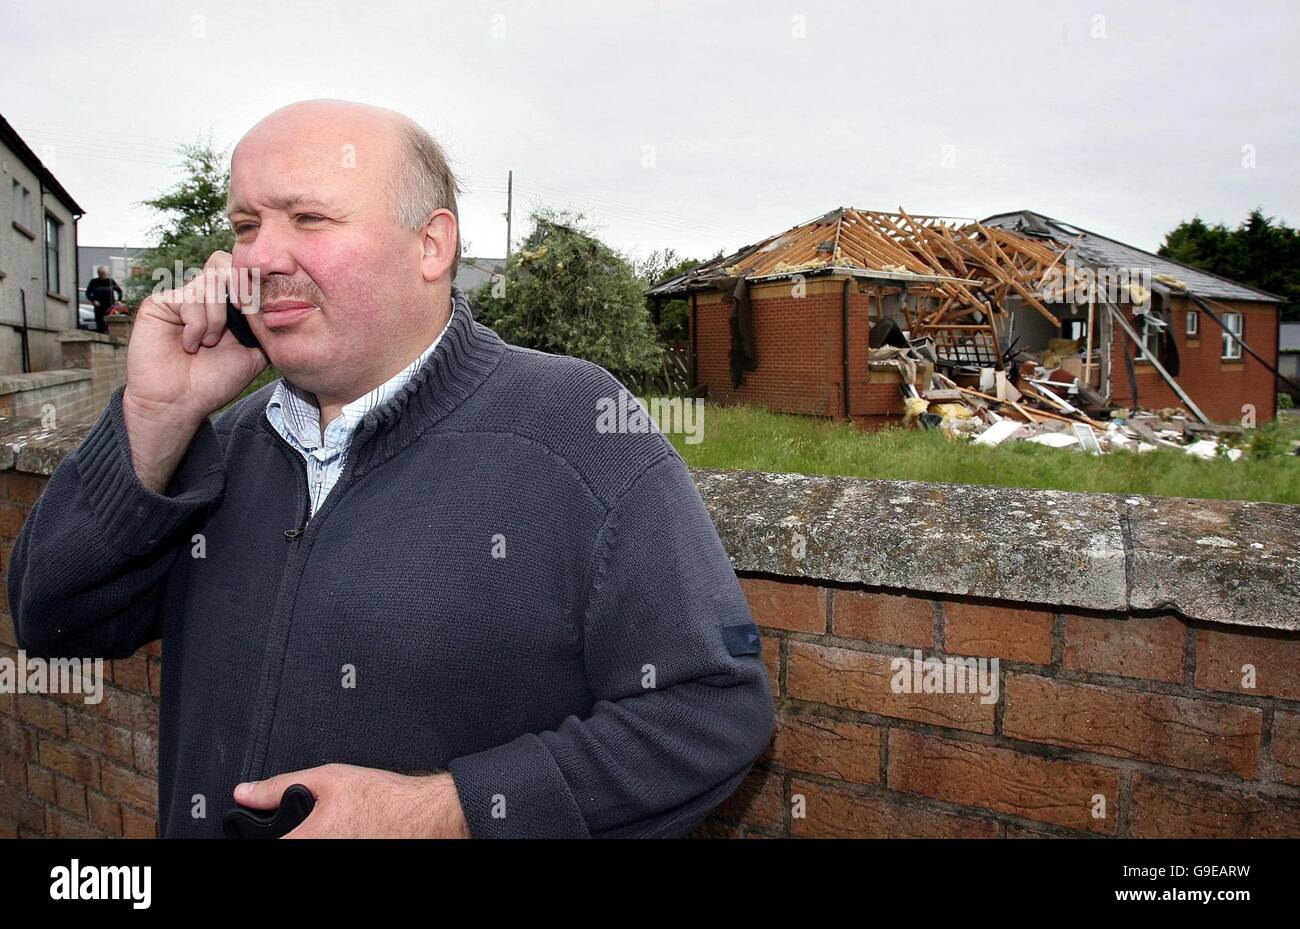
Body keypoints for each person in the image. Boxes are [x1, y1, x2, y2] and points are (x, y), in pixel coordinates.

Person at [9, 100, 774, 838]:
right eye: (246, 225)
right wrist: (154, 416)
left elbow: (712, 711)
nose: (260, 257)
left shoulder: (575, 426)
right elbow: (52, 620)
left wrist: (451, 812)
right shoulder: (218, 443)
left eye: (308, 218)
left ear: (431, 245)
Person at [84, 265, 124, 333]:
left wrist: (119, 300)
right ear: (98, 274)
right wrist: (93, 300)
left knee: (109, 322)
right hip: (99, 306)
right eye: (101, 274)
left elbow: (119, 291)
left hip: (109, 306)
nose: (103, 276)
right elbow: (88, 293)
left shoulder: (110, 281)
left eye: (104, 274)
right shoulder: (94, 282)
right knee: (100, 323)